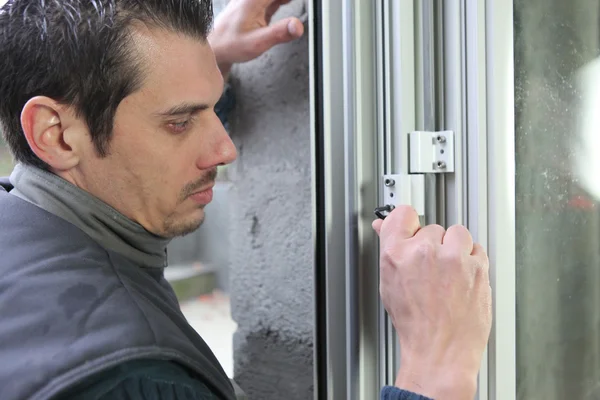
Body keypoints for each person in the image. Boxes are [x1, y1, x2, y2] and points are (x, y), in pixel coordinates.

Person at [0, 0, 492, 399]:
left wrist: (200, 63)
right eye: (180, 121)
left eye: (213, 107)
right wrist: (434, 372)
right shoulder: (131, 381)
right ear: (58, 135)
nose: (225, 148)